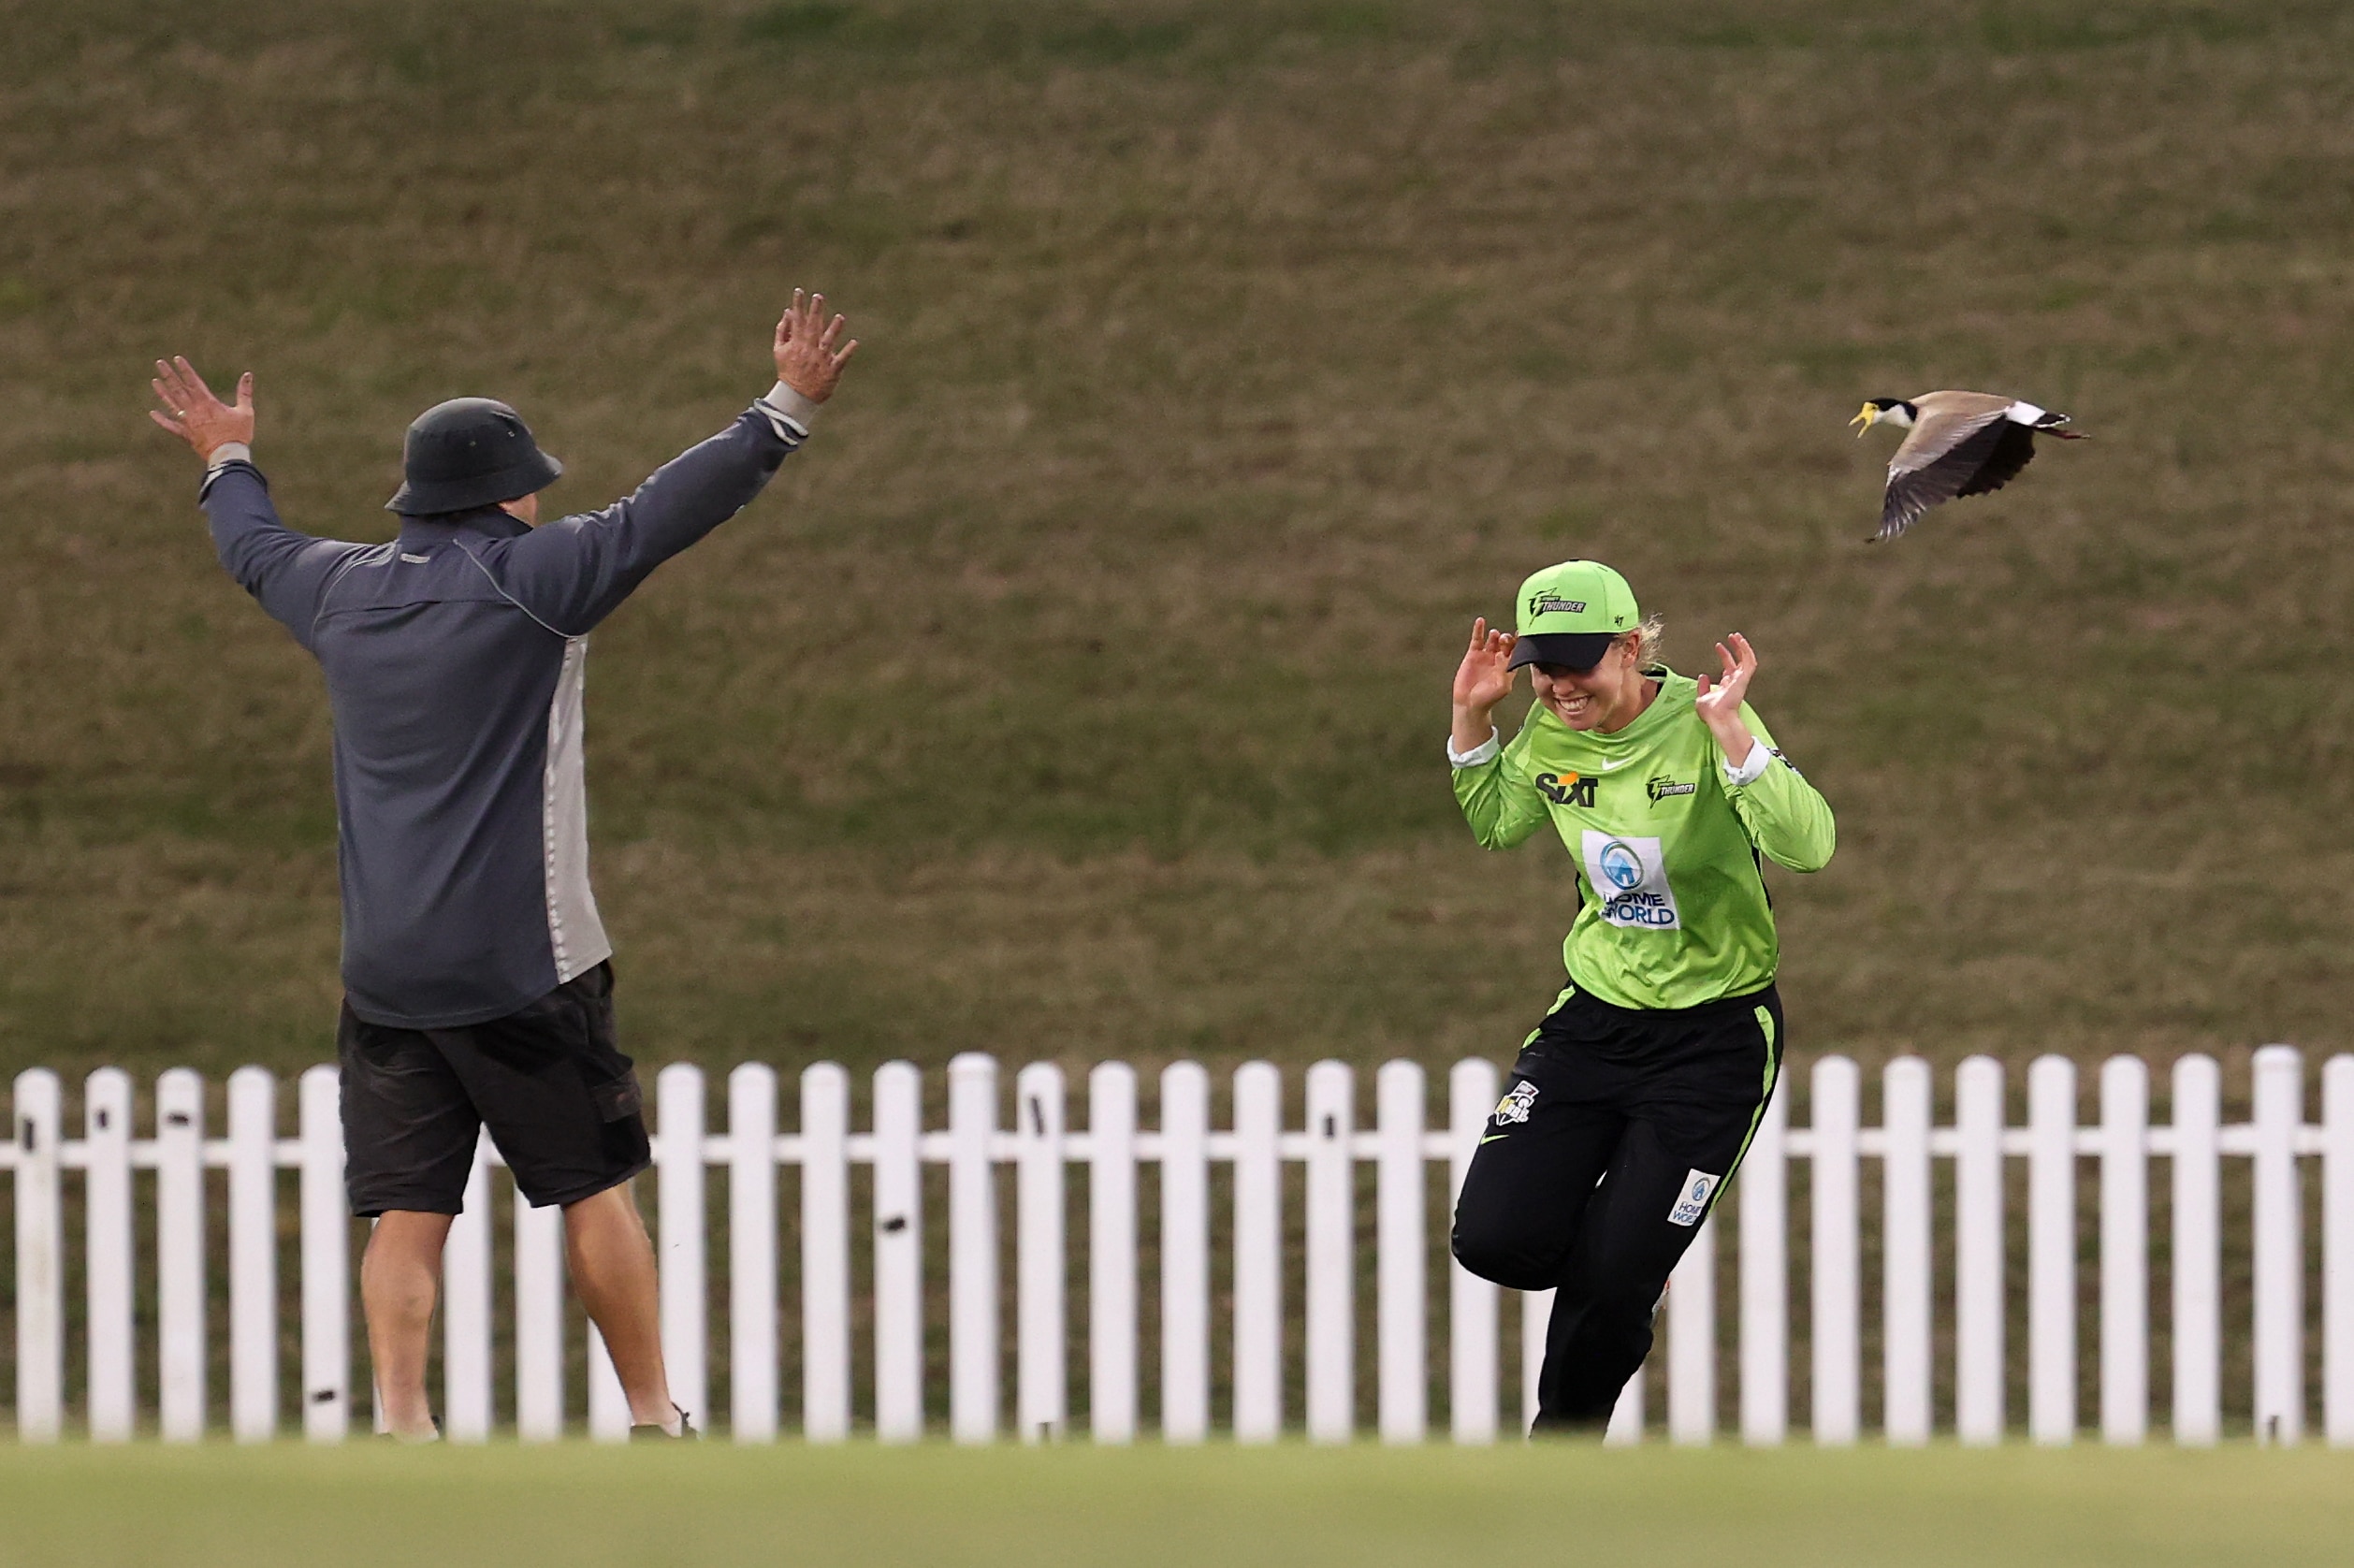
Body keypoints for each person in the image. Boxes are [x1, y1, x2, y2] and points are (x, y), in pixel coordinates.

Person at [147, 290, 857, 1440]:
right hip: (524, 960)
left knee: (403, 1212)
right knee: (592, 1187)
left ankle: (403, 1427)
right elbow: (664, 513)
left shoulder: (338, 590)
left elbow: (252, 548)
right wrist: (783, 410)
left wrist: (227, 454)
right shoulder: (533, 579)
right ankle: (649, 1415)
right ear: (505, 491)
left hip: (384, 971)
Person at [1444, 559, 1834, 1433]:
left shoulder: (1703, 720)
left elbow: (1810, 847)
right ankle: (1630, 1249)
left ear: (1630, 647)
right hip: (1593, 1025)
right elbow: (1497, 825)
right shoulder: (1546, 732)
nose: (1558, 685)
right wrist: (1473, 724)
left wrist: (1736, 740)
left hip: (1716, 1044)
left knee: (1611, 1281)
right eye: (1542, 666)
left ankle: (1556, 1471)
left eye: (1578, 663)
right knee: (1494, 1240)